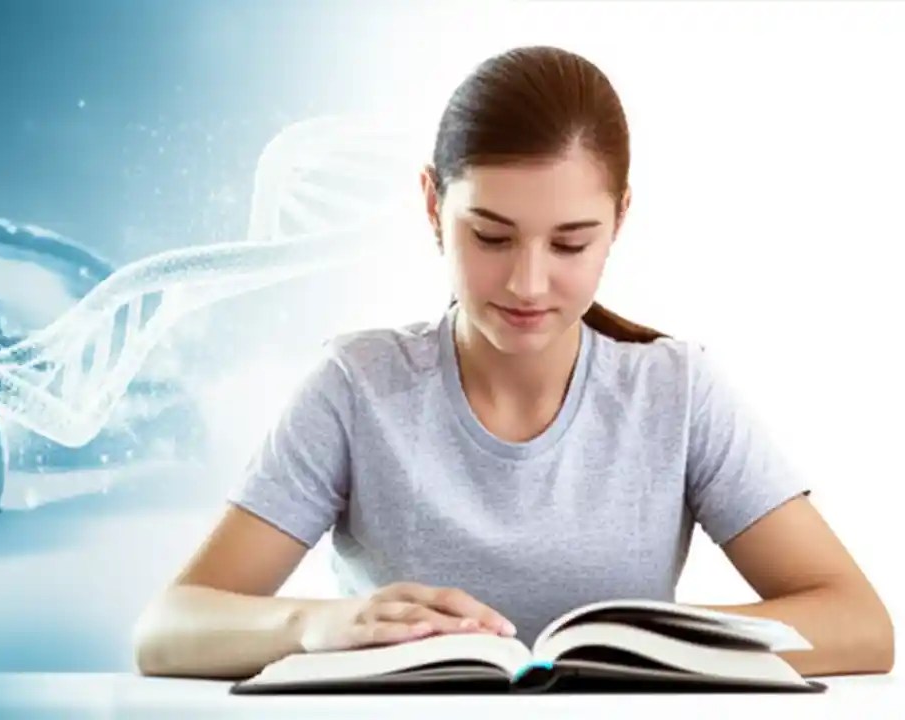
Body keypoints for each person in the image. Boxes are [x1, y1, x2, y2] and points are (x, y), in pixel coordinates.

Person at [131, 45, 894, 680]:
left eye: (570, 243)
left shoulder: (677, 392)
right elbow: (166, 629)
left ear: (620, 219)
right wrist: (318, 623)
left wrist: (656, 636)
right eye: (491, 237)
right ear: (432, 206)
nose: (529, 283)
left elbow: (862, 625)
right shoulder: (358, 388)